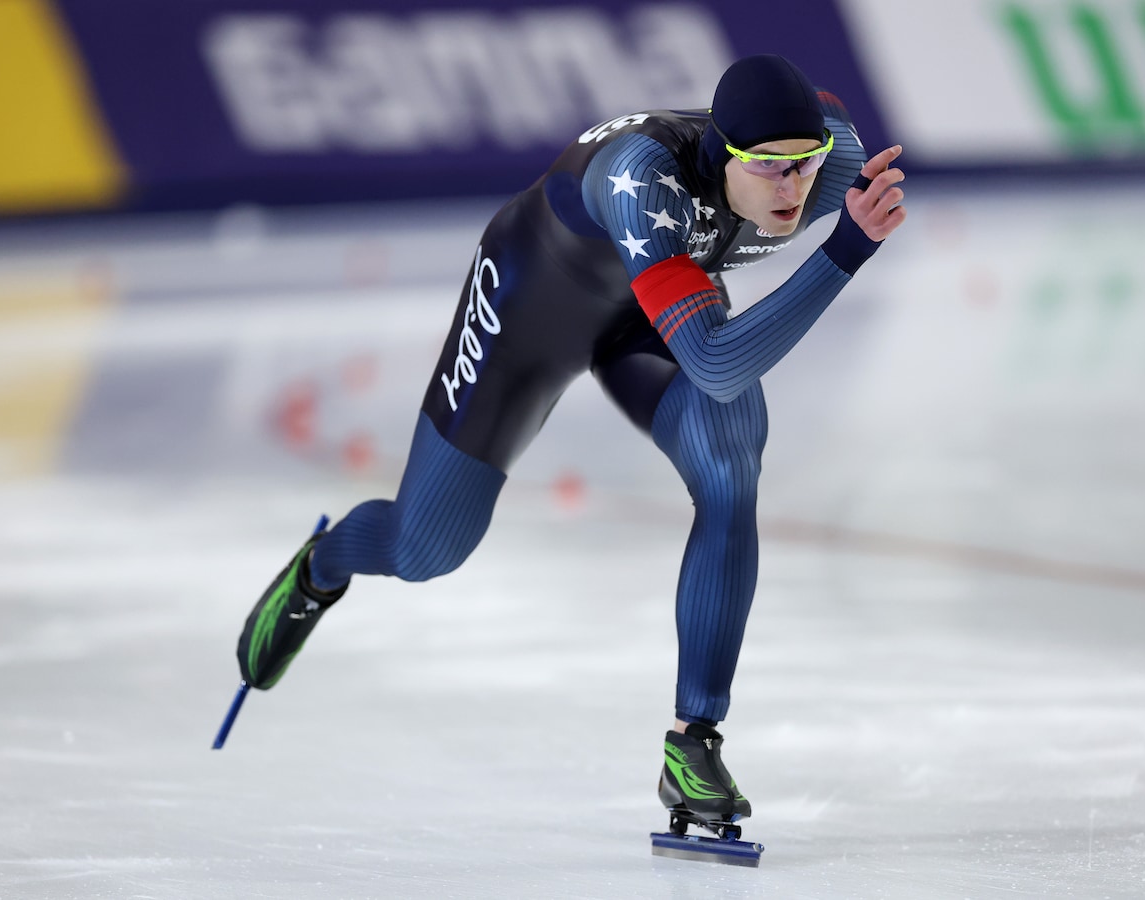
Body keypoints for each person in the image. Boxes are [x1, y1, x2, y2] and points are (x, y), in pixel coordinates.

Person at [235, 53, 906, 835]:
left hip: (650, 310)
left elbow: (820, 119)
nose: (793, 191)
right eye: (769, 170)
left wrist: (825, 172)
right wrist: (845, 252)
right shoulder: (639, 180)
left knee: (730, 460)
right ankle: (321, 567)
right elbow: (717, 364)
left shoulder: (837, 158)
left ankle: (693, 743)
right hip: (530, 313)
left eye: (805, 167)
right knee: (427, 549)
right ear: (725, 154)